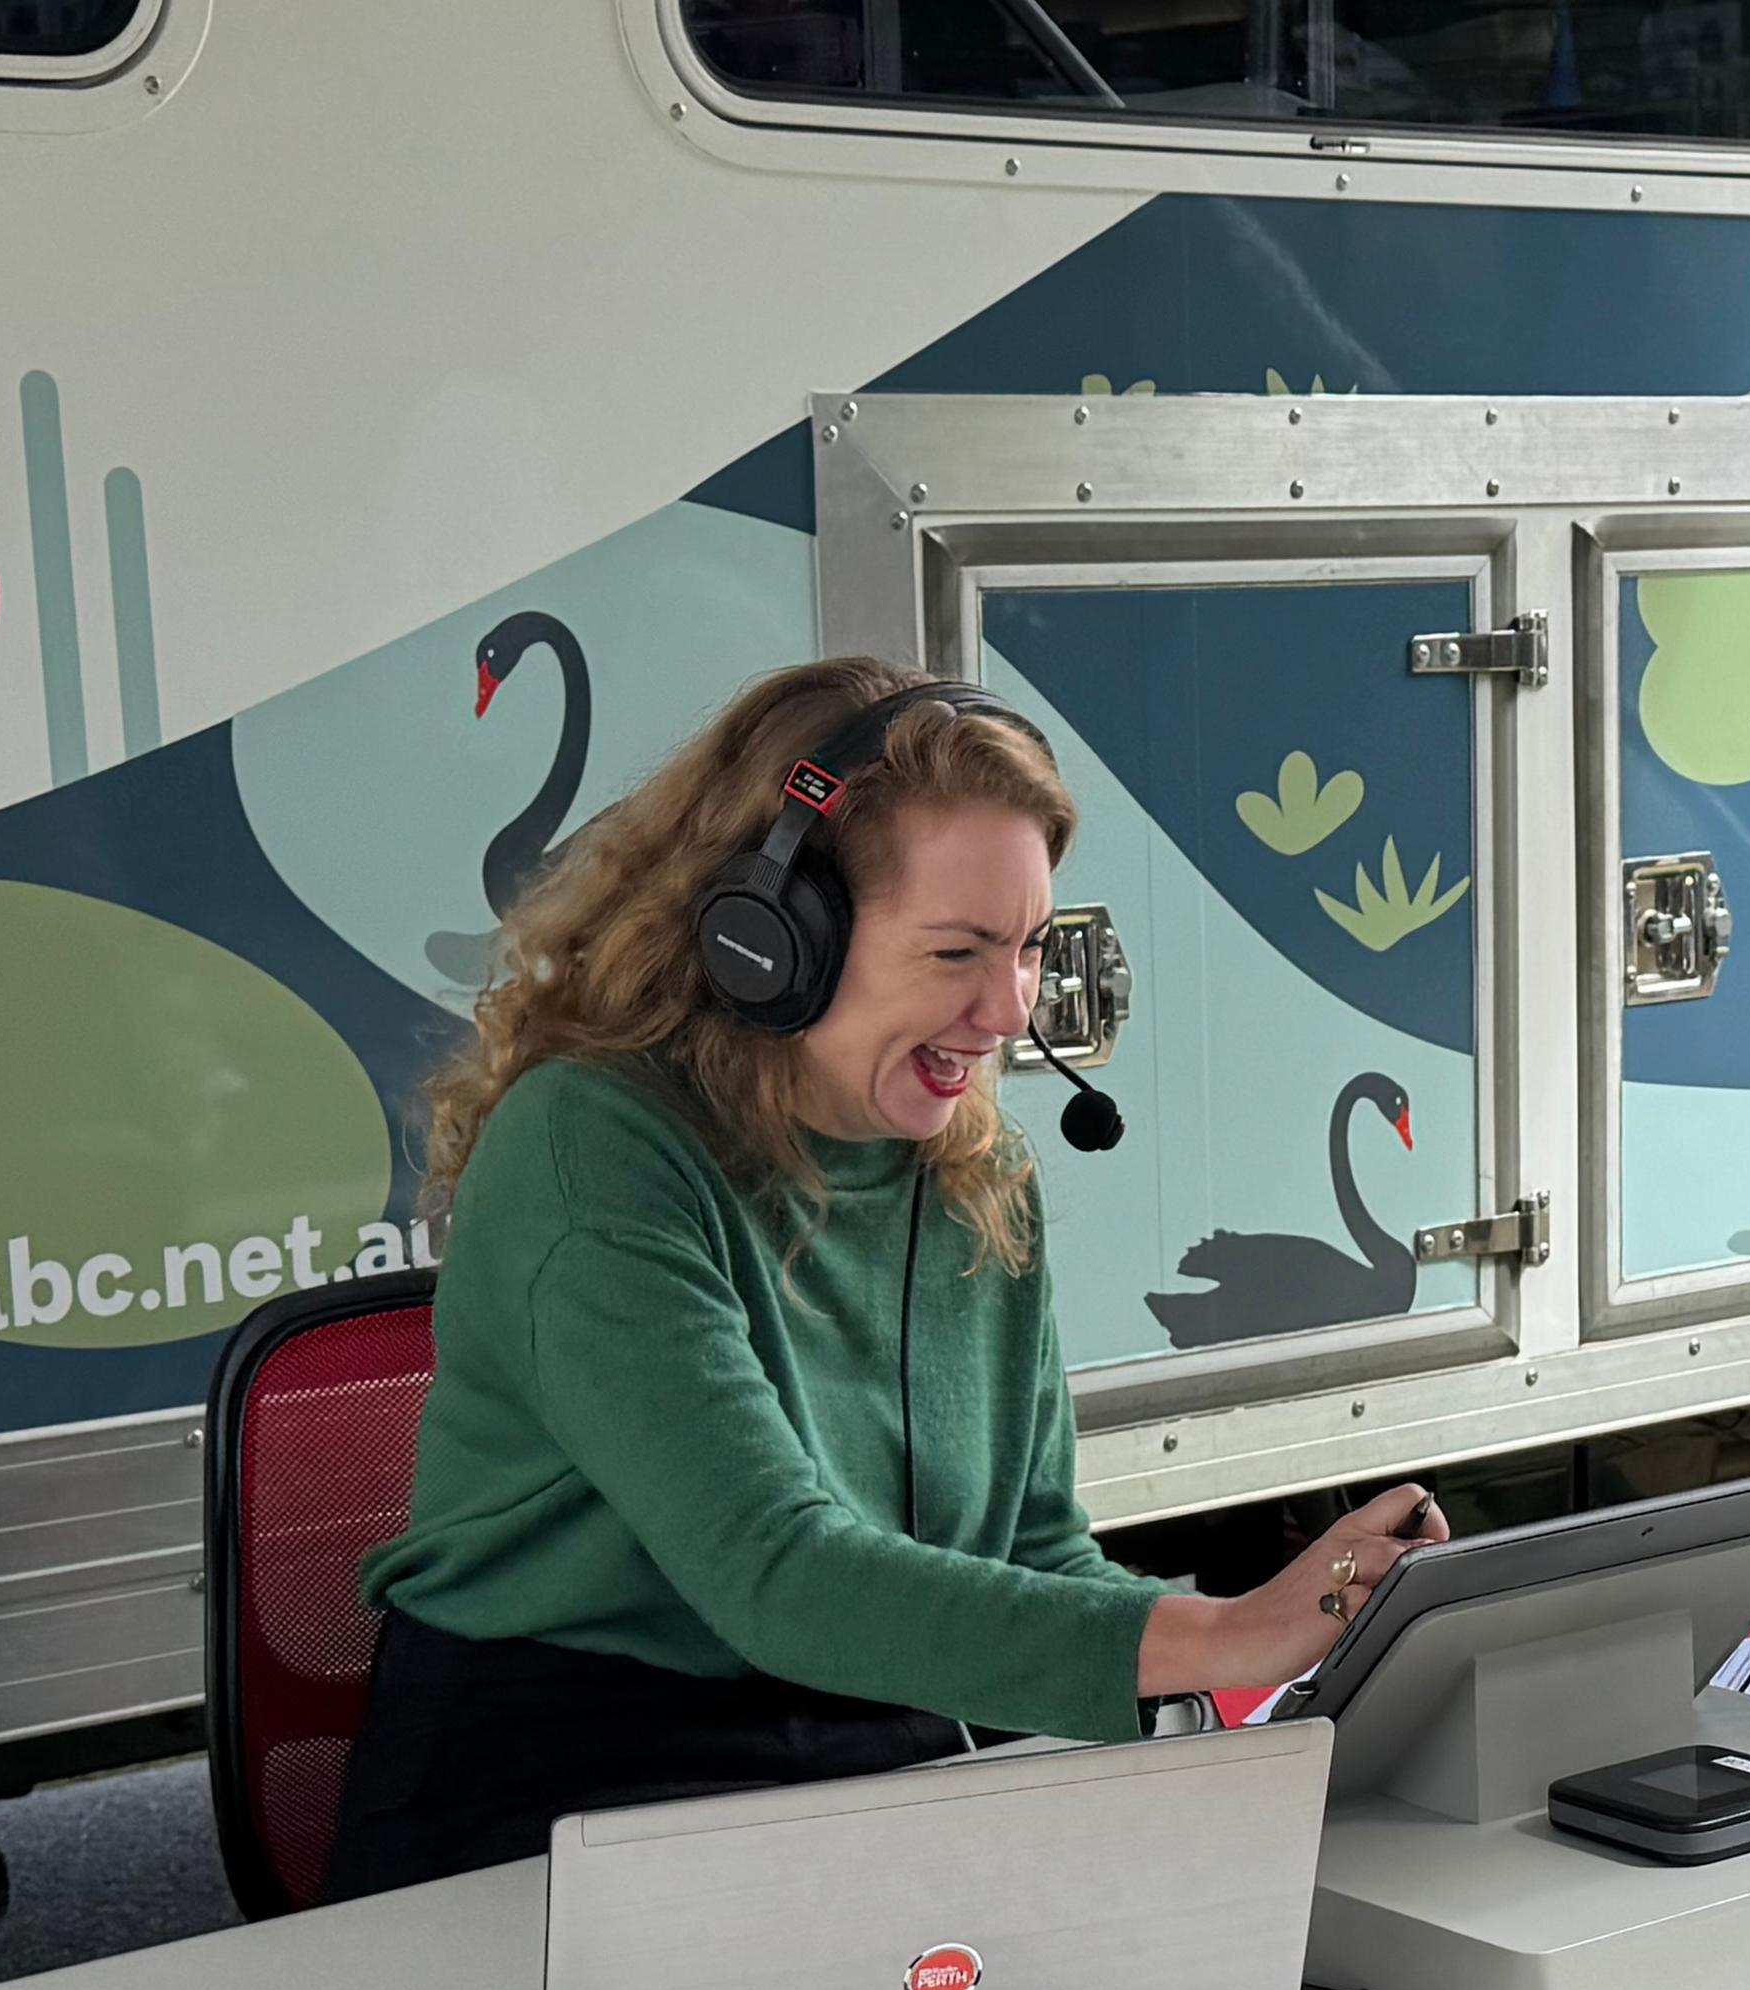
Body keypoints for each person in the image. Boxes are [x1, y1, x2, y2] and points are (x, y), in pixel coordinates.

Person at [323, 659, 1437, 1895]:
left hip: (870, 1746)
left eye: (1027, 949)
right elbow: (778, 1575)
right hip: (557, 1778)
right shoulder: (589, 1145)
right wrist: (1224, 1633)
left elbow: (1033, 1554)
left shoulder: (973, 1173)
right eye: (957, 952)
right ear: (769, 939)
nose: (1007, 1011)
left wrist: (1273, 1681)